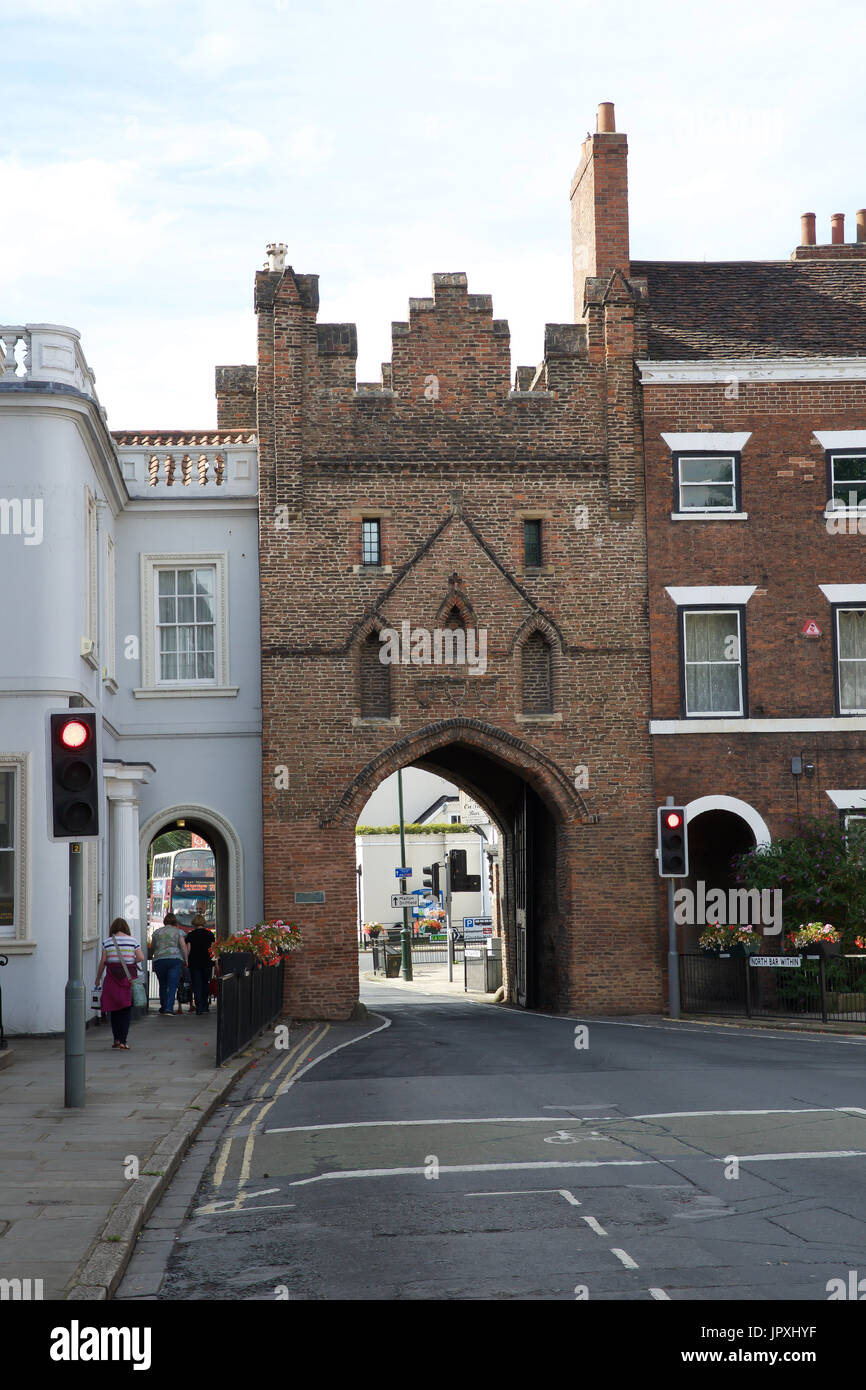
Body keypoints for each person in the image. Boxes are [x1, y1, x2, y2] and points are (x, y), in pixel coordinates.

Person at [95, 918, 145, 1050]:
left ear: (113, 928)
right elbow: (141, 957)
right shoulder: (133, 941)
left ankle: (116, 1039)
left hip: (111, 979)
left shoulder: (107, 942)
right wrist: (130, 960)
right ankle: (123, 1041)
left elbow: (103, 961)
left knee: (114, 1010)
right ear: (126, 928)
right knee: (125, 1010)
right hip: (127, 979)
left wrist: (98, 978)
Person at [150, 910, 189, 1016]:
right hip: (174, 960)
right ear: (175, 921)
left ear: (164, 921)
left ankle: (163, 1006)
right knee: (172, 985)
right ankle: (169, 1008)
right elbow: (183, 946)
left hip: (159, 960)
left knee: (162, 984)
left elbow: (153, 947)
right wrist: (186, 959)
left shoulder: (157, 932)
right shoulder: (178, 932)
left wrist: (151, 956)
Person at [185, 913, 216, 1015]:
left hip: (194, 962)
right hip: (207, 962)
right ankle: (205, 1005)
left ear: (194, 923)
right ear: (203, 923)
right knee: (205, 983)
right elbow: (213, 949)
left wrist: (186, 960)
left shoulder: (190, 935)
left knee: (197, 985)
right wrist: (216, 961)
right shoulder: (210, 934)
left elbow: (188, 950)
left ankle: (199, 1007)